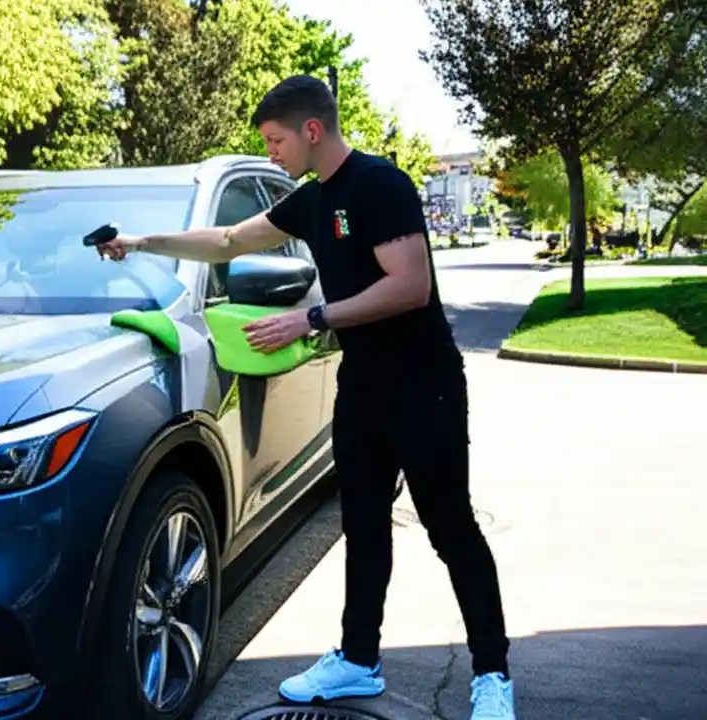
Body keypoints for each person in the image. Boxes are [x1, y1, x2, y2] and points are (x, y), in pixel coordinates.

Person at [93, 75, 515, 720]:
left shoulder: (381, 186)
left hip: (422, 386)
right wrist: (141, 243)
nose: (271, 153)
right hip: (363, 387)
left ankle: (491, 672)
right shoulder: (313, 200)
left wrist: (310, 320)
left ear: (311, 130)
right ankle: (358, 659)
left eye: (275, 140)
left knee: (450, 526)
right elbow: (229, 241)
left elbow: (410, 286)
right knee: (363, 526)